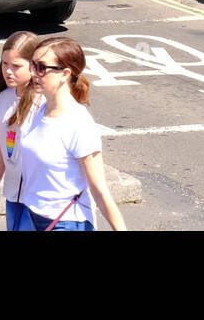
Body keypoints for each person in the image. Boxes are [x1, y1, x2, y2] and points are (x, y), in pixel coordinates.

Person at [11, 37, 127, 230]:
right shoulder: (41, 110)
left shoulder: (78, 124)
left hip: (65, 222)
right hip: (34, 215)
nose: (33, 73)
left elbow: (99, 190)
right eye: (32, 64)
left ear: (64, 73)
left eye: (41, 67)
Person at [0, 31, 42, 231]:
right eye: (5, 64)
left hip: (40, 200)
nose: (8, 71)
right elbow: (0, 149)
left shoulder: (43, 103)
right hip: (13, 196)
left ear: (33, 67)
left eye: (16, 66)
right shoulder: (3, 99)